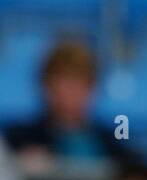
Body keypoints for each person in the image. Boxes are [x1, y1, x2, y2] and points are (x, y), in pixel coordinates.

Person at [3, 39, 123, 169]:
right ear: (45, 85)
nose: (69, 93)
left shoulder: (112, 145)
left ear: (93, 89)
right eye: (62, 82)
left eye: (78, 83)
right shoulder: (18, 140)